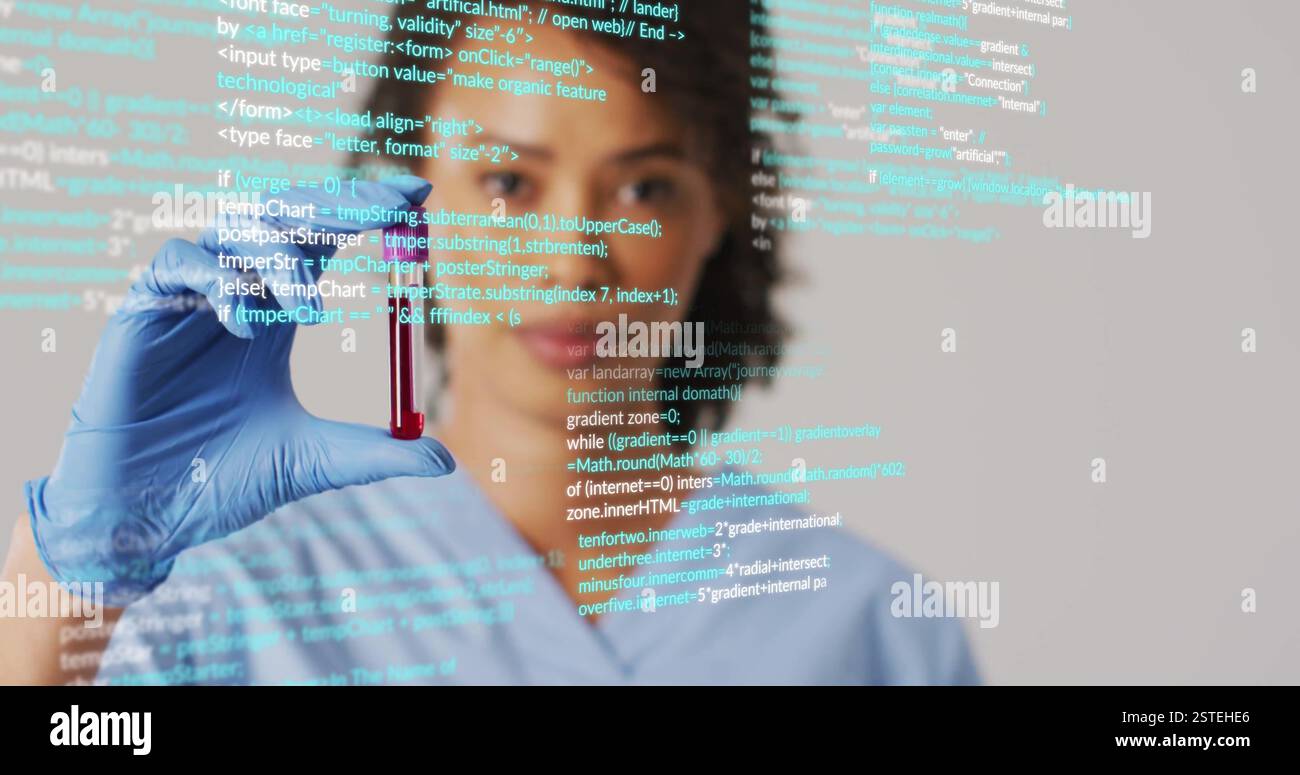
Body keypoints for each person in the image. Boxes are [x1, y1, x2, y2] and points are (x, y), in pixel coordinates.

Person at [0, 4, 979, 685]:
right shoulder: (224, 598)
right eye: (509, 183)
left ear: (720, 207)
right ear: (413, 199)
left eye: (642, 188)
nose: (571, 261)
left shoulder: (870, 627)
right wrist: (65, 579)